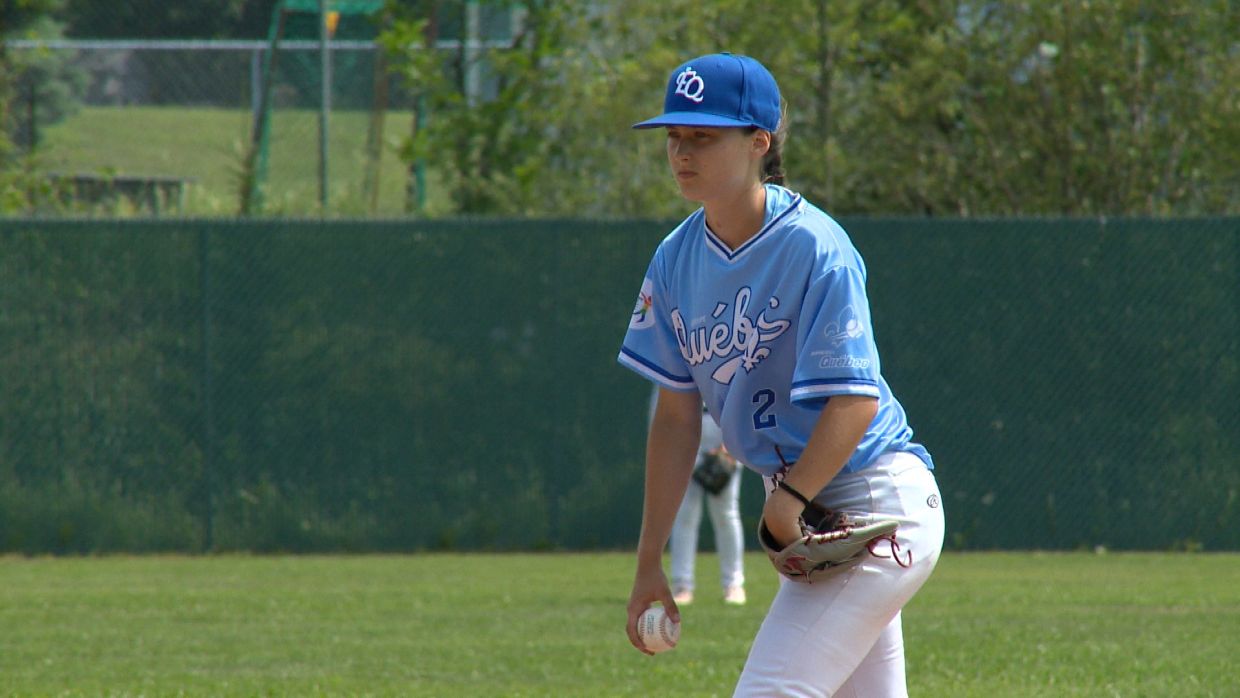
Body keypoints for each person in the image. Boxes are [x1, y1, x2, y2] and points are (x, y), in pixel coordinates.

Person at [618, 52, 945, 696]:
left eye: (704, 137)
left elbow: (855, 402)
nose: (682, 151)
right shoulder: (676, 257)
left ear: (757, 143)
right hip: (810, 513)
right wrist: (649, 561)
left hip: (874, 504)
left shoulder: (815, 246)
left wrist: (787, 502)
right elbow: (677, 417)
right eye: (675, 137)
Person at [649, 387, 746, 606]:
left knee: (726, 515)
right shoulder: (675, 362)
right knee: (684, 516)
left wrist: (729, 447)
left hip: (723, 446)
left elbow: (740, 402)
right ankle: (682, 585)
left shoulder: (723, 358)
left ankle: (733, 583)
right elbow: (661, 413)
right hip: (683, 448)